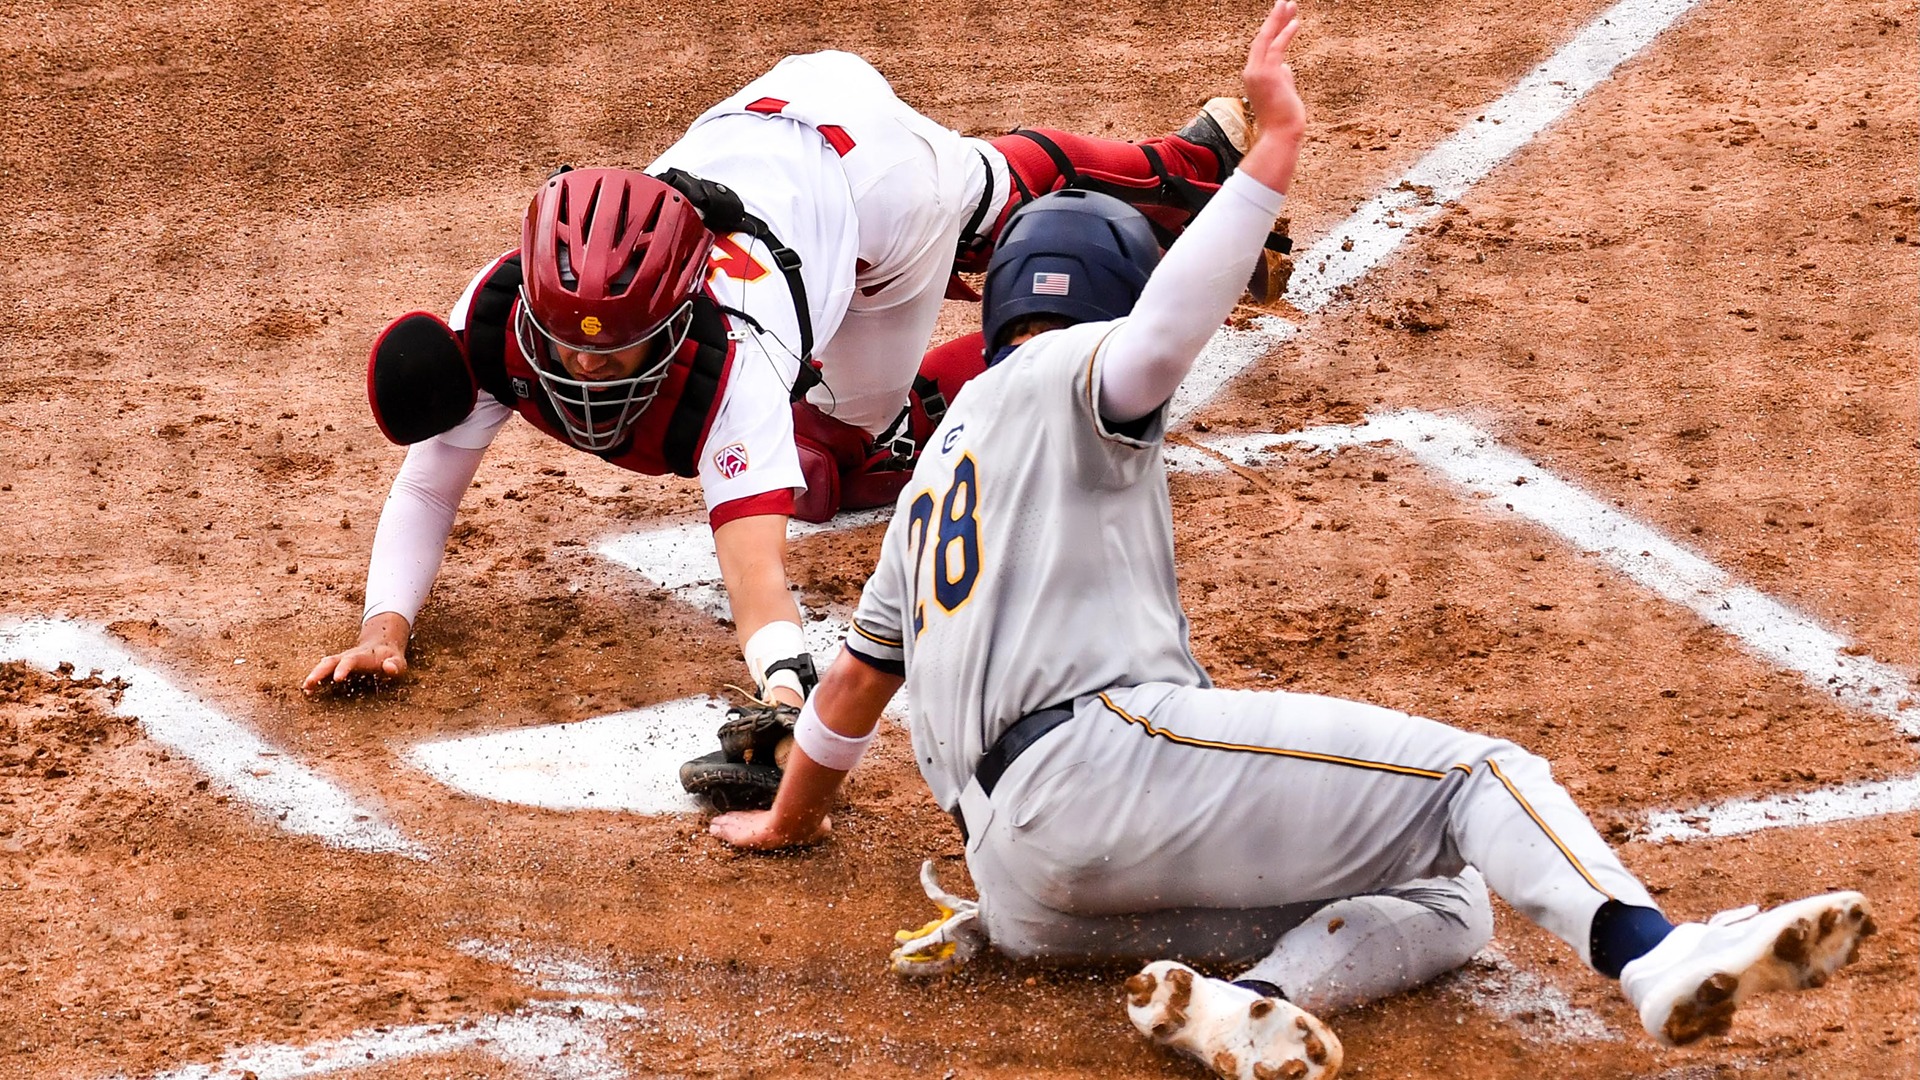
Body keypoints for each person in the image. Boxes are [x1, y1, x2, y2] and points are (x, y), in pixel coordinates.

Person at [707, 6, 1876, 1078]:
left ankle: (1250, 1002)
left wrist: (788, 820)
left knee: (1448, 897)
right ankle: (1654, 953)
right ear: (1106, 300)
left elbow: (857, 683)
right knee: (1478, 777)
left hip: (1025, 895)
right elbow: (1157, 346)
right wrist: (1269, 156)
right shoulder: (1077, 369)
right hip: (1112, 773)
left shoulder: (937, 470)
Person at [302, 51, 1284, 764]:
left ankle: (1144, 273)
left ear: (683, 313)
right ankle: (1188, 169)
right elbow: (429, 486)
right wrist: (385, 628)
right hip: (779, 122)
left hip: (878, 190)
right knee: (985, 195)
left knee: (836, 457)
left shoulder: (737, 361)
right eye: (568, 347)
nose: (592, 376)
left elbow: (755, 570)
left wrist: (784, 680)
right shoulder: (496, 316)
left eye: (627, 349)